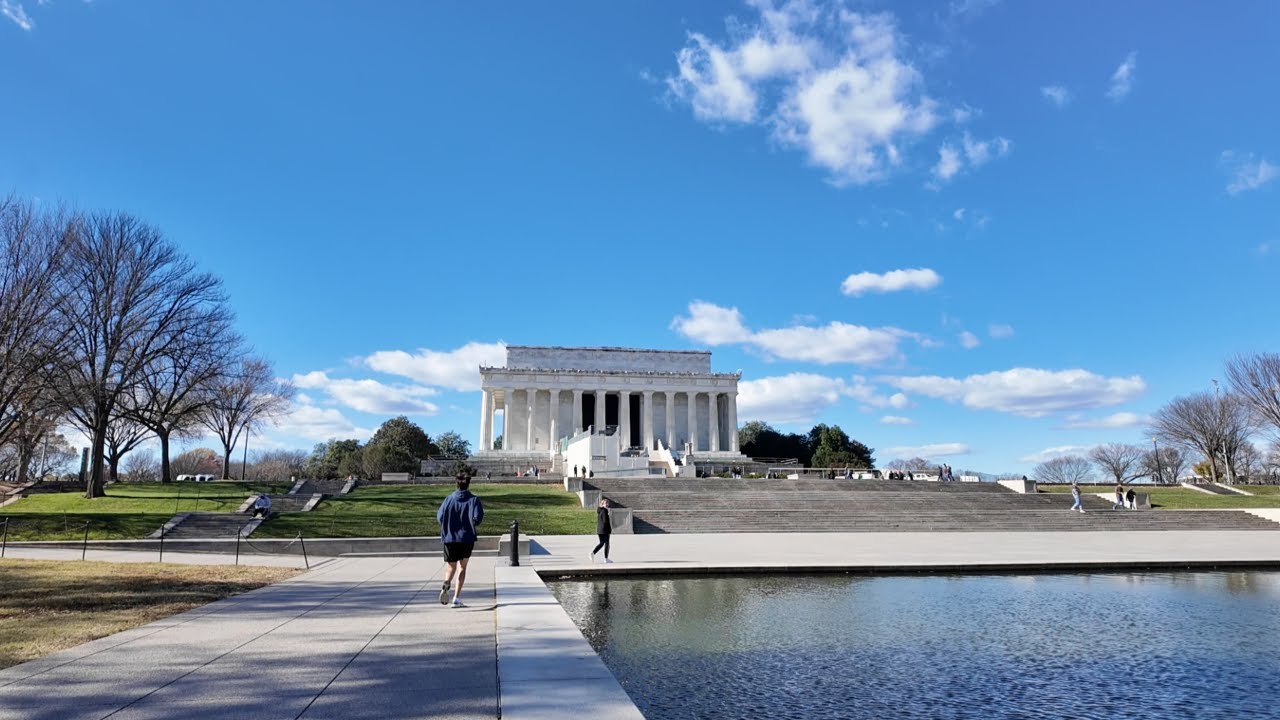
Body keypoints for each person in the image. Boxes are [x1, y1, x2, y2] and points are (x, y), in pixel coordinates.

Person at [437, 473, 484, 608]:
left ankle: (446, 583)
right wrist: (470, 523)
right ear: (468, 484)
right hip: (466, 538)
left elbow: (440, 517)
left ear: (456, 483)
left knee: (450, 566)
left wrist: (448, 526)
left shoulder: (448, 499)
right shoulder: (474, 500)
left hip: (450, 538)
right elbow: (478, 517)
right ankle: (456, 598)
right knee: (462, 567)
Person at [590, 497, 613, 563]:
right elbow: (605, 521)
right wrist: (609, 529)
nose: (607, 504)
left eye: (607, 503)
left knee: (602, 543)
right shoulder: (605, 511)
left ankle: (593, 553)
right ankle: (606, 559)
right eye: (605, 503)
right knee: (607, 544)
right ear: (602, 504)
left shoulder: (600, 511)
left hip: (600, 530)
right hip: (605, 530)